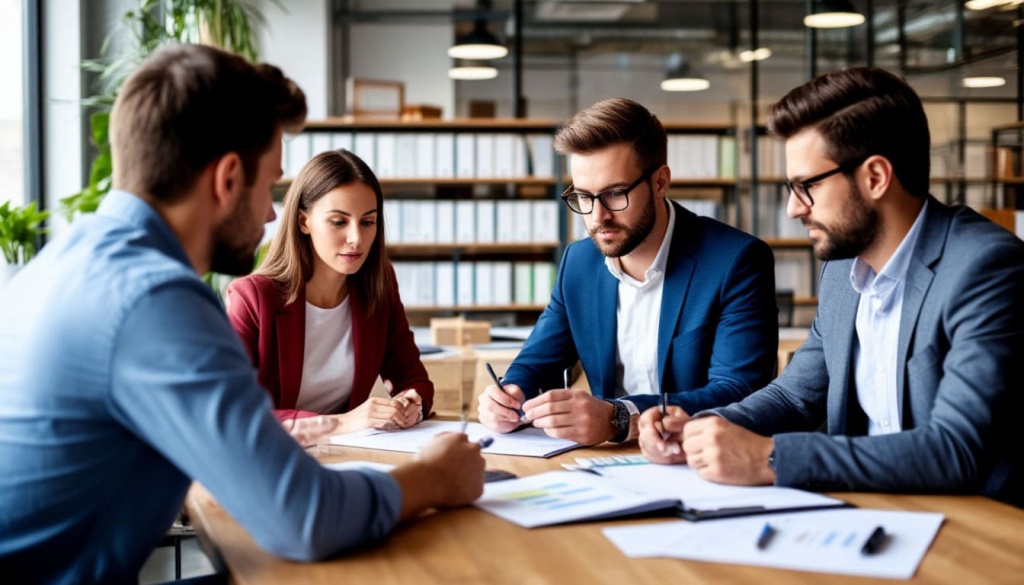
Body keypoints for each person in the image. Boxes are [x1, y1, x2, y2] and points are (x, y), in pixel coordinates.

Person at [0, 44, 484, 584]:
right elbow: (303, 517)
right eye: (270, 183)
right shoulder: (155, 301)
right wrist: (436, 478)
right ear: (228, 179)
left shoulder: (61, 266)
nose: (271, 211)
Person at [639, 67, 1024, 507]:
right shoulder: (844, 272)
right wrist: (699, 428)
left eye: (807, 186)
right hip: (871, 511)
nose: (792, 208)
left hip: (979, 532)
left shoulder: (985, 267)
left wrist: (772, 457)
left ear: (875, 177)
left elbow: (957, 449)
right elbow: (795, 395)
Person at [477, 98, 778, 446]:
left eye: (615, 194)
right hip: (603, 463)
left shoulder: (736, 260)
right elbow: (536, 362)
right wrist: (510, 393)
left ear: (661, 182)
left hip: (702, 461)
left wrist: (619, 416)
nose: (597, 217)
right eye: (584, 197)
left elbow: (739, 392)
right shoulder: (579, 263)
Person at [226, 149, 431, 434]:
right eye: (338, 222)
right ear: (303, 221)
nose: (356, 238)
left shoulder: (379, 283)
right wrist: (342, 423)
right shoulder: (253, 297)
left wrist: (412, 403)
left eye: (368, 222)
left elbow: (414, 380)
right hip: (274, 460)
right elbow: (233, 412)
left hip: (348, 453)